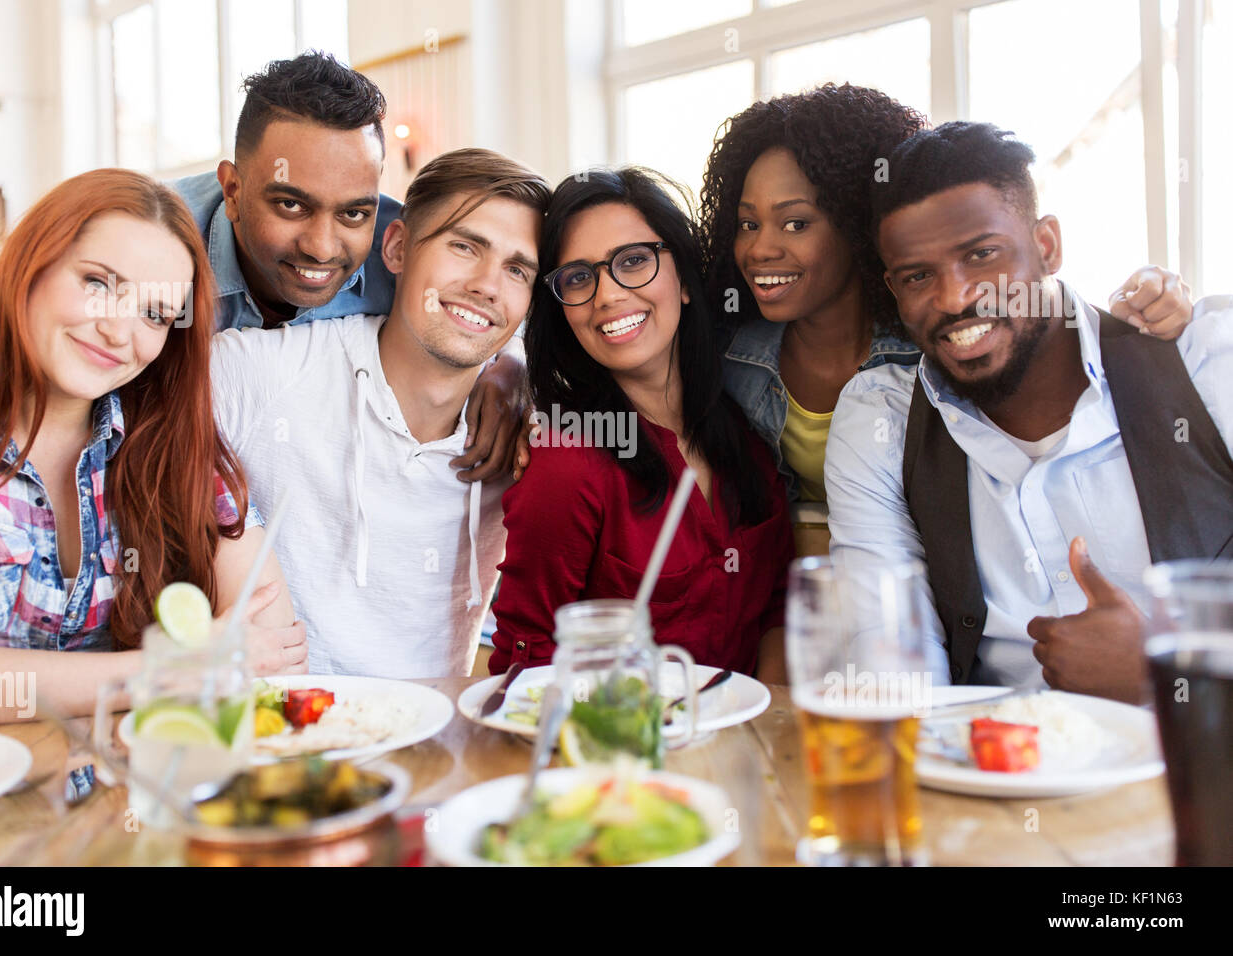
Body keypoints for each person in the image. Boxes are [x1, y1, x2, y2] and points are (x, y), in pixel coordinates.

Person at [825, 121, 1233, 702]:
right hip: (988, 774)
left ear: (1046, 247)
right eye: (919, 276)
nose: (954, 297)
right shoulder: (880, 420)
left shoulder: (1207, 360)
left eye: (981, 254)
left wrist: (1166, 669)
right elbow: (893, 676)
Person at [700, 85, 1195, 550]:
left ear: (856, 224)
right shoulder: (729, 360)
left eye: (795, 223)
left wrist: (1155, 292)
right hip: (792, 595)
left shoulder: (943, 346)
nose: (761, 248)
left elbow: (1039, 316)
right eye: (747, 224)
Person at [0, 169, 307, 725]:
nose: (118, 331)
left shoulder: (169, 441)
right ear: (31, 266)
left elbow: (274, 651)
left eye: (154, 313)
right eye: (99, 283)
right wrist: (171, 669)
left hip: (122, 799)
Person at [209, 148, 549, 678]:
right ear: (396, 247)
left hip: (438, 743)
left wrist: (521, 366)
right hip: (281, 736)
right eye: (464, 246)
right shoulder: (262, 372)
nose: (487, 284)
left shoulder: (528, 430)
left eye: (517, 269)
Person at [490, 168, 793, 682]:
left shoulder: (746, 439)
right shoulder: (567, 462)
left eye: (633, 261)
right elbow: (523, 667)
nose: (607, 295)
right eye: (579, 277)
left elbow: (776, 615)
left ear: (687, 284)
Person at [173, 51, 529, 482]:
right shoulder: (153, 245)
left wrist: (511, 365)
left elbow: (496, 298)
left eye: (353, 213)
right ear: (232, 190)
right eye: (291, 204)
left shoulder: (400, 250)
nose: (322, 249)